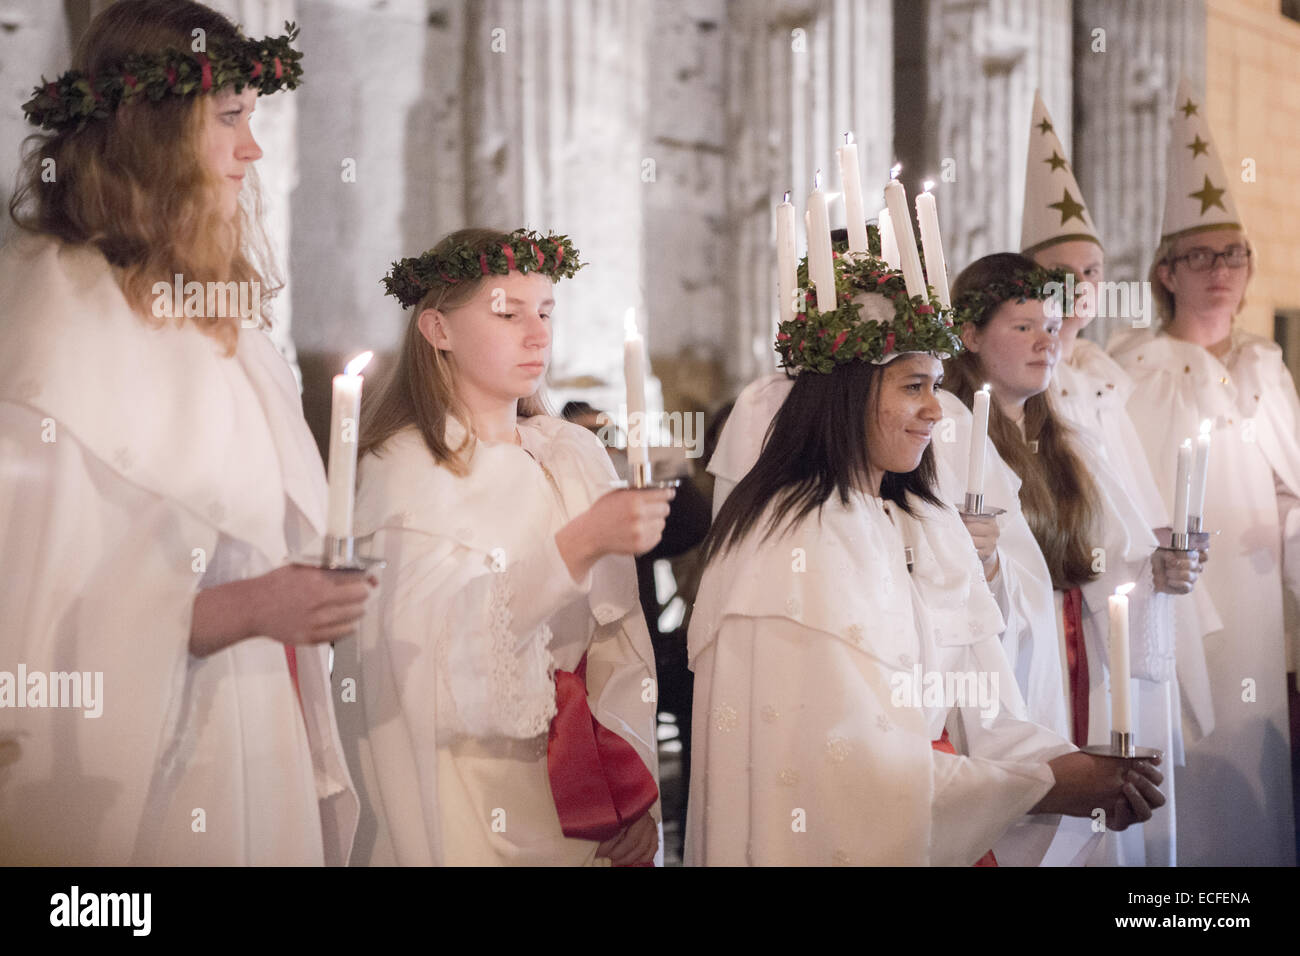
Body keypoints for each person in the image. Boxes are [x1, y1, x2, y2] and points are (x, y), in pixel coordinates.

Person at [0, 0, 360, 864]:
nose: (253, 148)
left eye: (252, 119)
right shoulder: (58, 332)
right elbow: (31, 638)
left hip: (252, 734)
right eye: (229, 118)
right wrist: (243, 608)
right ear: (153, 134)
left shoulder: (215, 323)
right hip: (144, 790)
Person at [687, 250, 1164, 866]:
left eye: (937, 386)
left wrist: (1069, 766)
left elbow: (984, 712)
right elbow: (849, 776)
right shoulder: (786, 542)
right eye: (914, 386)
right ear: (848, 394)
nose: (938, 411)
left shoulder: (926, 522)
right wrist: (1047, 787)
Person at [335, 228, 669, 865]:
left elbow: (619, 643)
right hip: (465, 789)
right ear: (438, 330)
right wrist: (575, 548)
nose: (538, 334)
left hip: (587, 790)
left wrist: (634, 791)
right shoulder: (406, 467)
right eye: (507, 313)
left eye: (545, 312)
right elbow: (422, 662)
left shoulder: (569, 453)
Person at [1020, 90, 1219, 866]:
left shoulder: (1102, 378)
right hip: (1076, 630)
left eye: (1093, 272)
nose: (1080, 290)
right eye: (1059, 274)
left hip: (1130, 616)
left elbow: (1127, 507)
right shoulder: (1028, 387)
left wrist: (1163, 549)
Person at [1109, 77, 1299, 866]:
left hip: (1257, 604)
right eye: (1199, 256)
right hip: (1177, 602)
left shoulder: (1267, 365)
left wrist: (1285, 523)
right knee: (1185, 772)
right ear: (1166, 273)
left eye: (1233, 255)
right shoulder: (1140, 370)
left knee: (1253, 782)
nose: (1220, 270)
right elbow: (1124, 497)